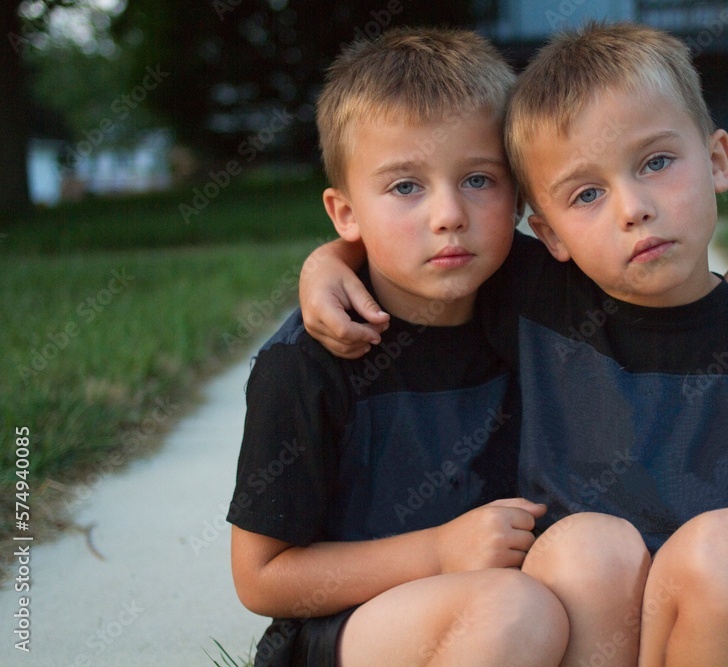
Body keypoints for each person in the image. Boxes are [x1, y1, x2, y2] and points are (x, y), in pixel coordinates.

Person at [299, 22, 728, 667]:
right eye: (588, 193)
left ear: (717, 160)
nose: (633, 207)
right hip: (609, 620)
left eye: (656, 162)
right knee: (616, 546)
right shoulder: (534, 298)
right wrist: (329, 262)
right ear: (551, 234)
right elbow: (413, 247)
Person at [226, 28, 572, 667]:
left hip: (513, 610)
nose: (448, 214)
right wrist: (439, 552)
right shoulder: (304, 364)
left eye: (478, 179)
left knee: (589, 565)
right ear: (345, 213)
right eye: (405, 187)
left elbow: (647, 288)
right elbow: (261, 577)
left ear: (519, 194)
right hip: (349, 629)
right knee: (512, 608)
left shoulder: (538, 297)